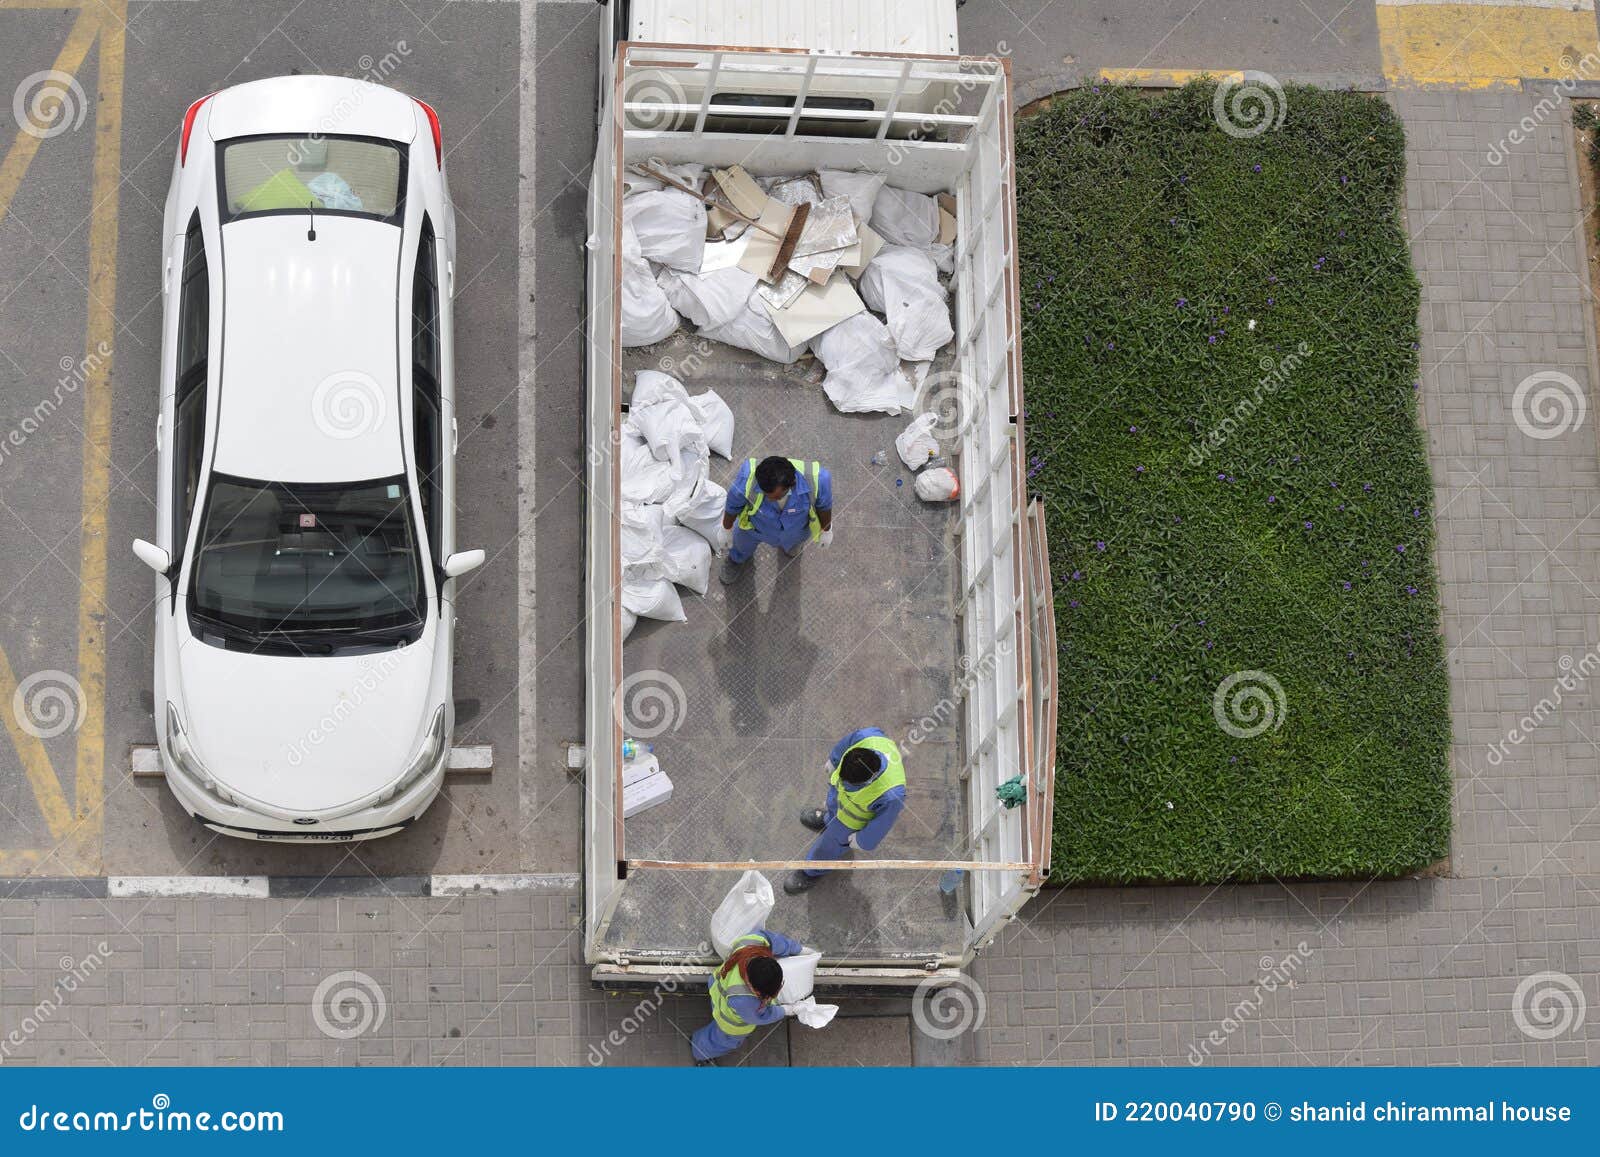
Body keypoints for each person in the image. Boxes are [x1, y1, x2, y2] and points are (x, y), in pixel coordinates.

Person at [784, 727, 907, 895]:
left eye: (850, 783)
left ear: (871, 778)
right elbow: (847, 742)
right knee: (832, 811)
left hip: (848, 824)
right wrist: (834, 760)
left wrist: (862, 840)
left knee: (828, 846)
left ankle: (812, 871)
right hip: (837, 803)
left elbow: (882, 824)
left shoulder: (892, 795)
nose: (843, 782)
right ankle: (827, 820)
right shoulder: (867, 737)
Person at [690, 927, 804, 1065]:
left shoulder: (752, 942)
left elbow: (775, 940)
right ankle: (700, 1050)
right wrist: (787, 1010)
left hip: (717, 985)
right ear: (754, 989)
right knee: (723, 1040)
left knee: (717, 1013)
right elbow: (761, 1016)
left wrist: (799, 949)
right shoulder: (744, 1000)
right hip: (729, 1020)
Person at [716, 455, 833, 584]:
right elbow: (733, 505)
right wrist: (726, 529)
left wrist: (826, 530)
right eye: (765, 493)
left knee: (794, 543)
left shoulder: (818, 480)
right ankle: (736, 559)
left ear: (792, 484)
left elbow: (824, 507)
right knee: (741, 544)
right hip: (755, 528)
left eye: (775, 496)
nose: (769, 499)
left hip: (796, 529)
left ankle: (791, 546)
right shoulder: (747, 478)